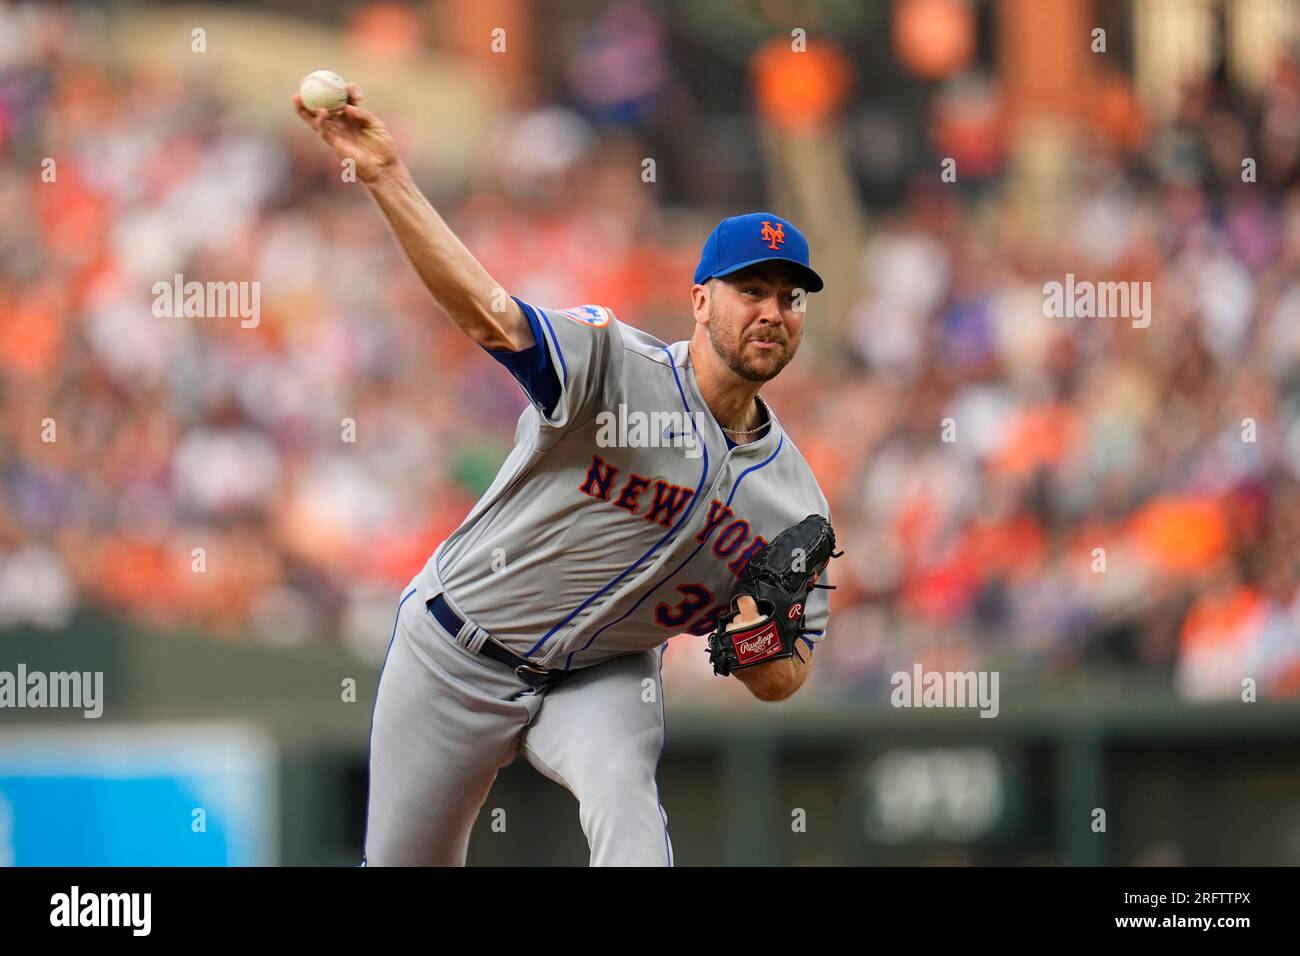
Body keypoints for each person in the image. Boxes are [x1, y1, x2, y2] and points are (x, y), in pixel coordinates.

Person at [294, 84, 834, 866]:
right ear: (699, 298)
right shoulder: (615, 364)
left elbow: (786, 677)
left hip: (600, 674)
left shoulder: (793, 501)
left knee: (627, 803)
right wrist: (385, 174)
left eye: (791, 299)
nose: (772, 311)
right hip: (454, 652)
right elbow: (489, 315)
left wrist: (759, 648)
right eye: (750, 289)